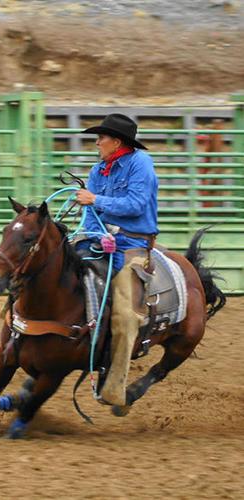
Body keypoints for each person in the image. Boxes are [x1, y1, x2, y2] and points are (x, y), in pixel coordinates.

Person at [75, 113, 159, 407]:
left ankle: (114, 387)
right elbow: (89, 214)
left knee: (125, 315)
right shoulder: (98, 170)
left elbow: (136, 204)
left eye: (101, 137)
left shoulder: (140, 164)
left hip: (134, 244)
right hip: (101, 241)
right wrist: (97, 235)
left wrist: (96, 200)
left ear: (117, 142)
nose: (97, 142)